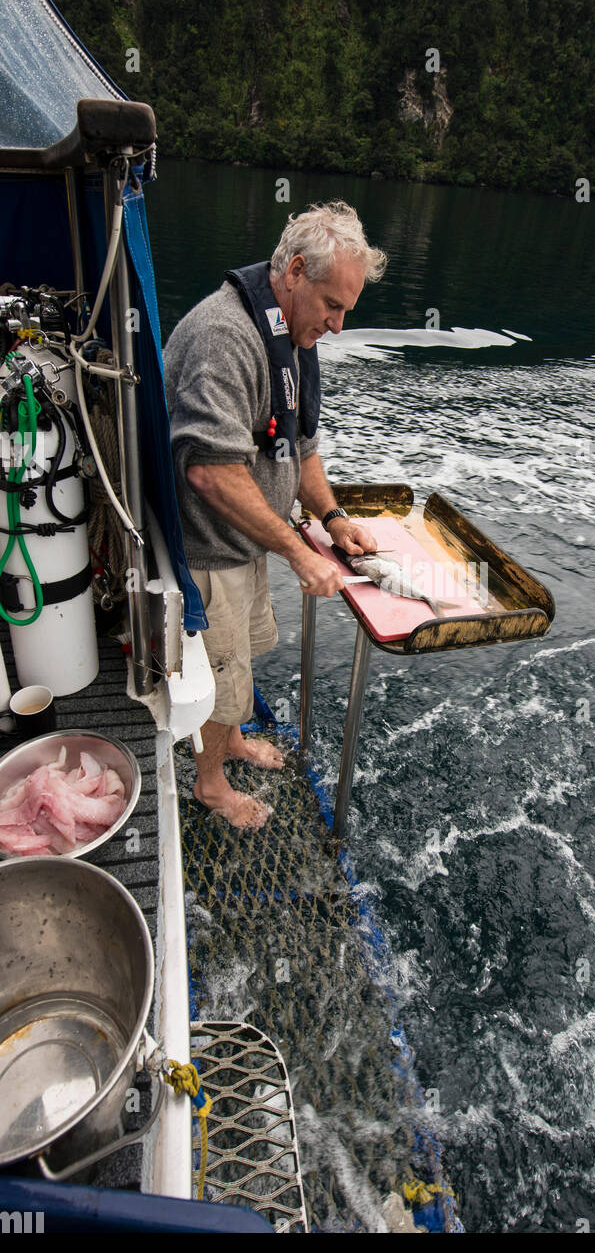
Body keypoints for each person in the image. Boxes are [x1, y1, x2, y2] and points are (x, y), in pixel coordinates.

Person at [165, 201, 387, 828]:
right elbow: (208, 469)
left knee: (242, 659)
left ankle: (230, 741)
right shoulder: (226, 337)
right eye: (332, 305)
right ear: (292, 271)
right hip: (205, 552)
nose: (339, 325)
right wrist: (295, 549)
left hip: (245, 543)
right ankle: (210, 785)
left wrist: (334, 518)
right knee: (216, 674)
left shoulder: (291, 329)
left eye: (347, 309)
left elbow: (301, 445)